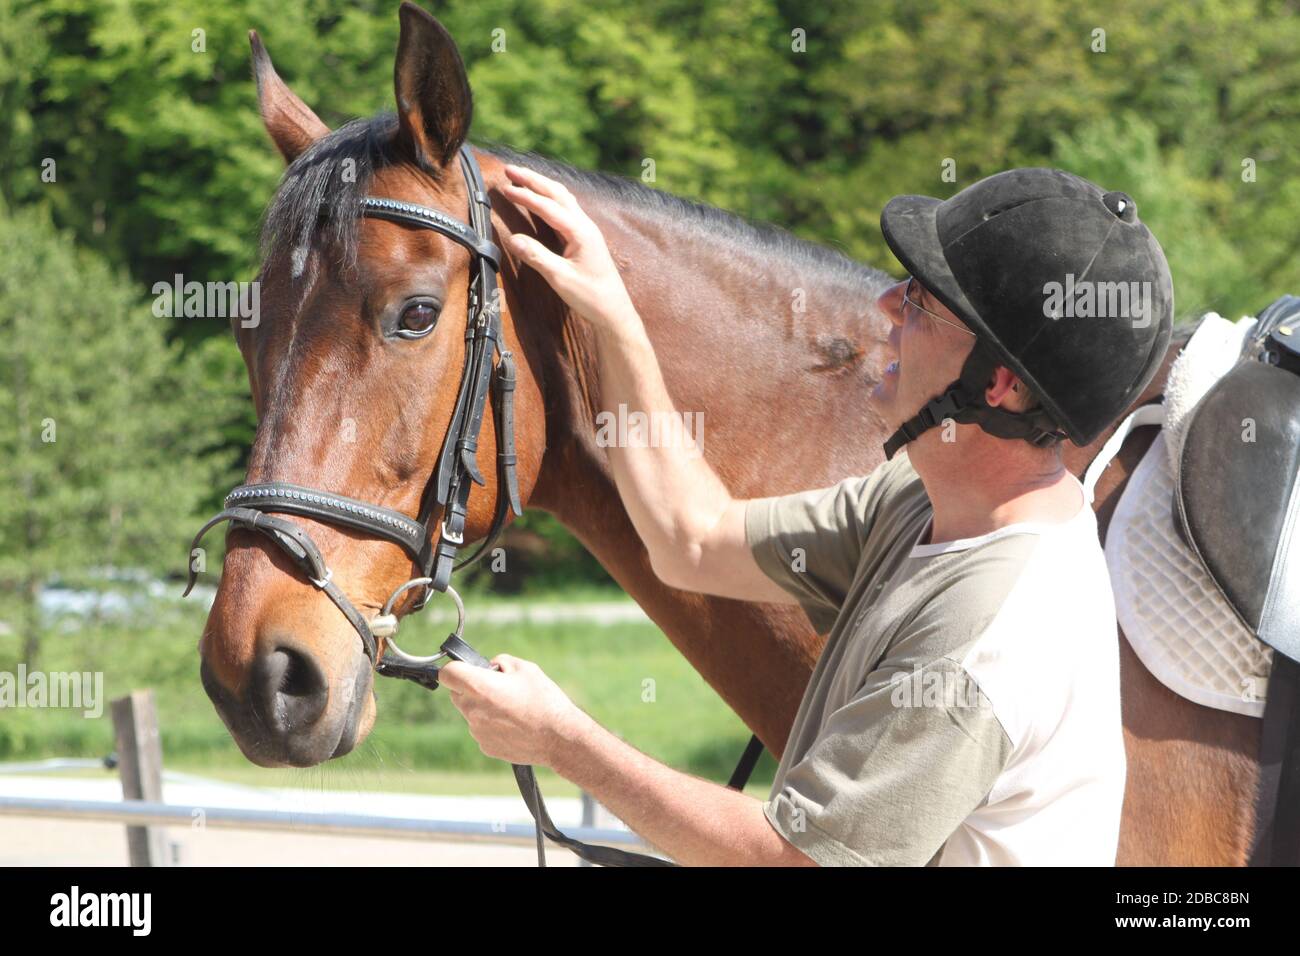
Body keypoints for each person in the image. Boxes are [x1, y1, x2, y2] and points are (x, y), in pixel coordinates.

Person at [439, 164, 1174, 866]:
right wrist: (613, 319)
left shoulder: (988, 635)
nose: (889, 305)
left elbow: (796, 861)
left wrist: (561, 740)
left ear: (1001, 385)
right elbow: (693, 539)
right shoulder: (925, 501)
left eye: (922, 303)